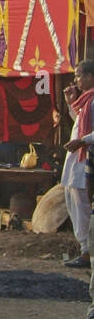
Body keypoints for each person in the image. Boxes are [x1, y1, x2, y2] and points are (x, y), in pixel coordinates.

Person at [57, 62, 94, 268]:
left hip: (87, 162)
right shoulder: (85, 102)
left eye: (79, 76)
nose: (76, 81)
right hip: (77, 162)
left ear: (90, 76)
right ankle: (84, 249)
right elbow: (79, 125)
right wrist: (71, 103)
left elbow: (86, 134)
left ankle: (87, 251)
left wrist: (82, 141)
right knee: (74, 203)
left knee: (83, 206)